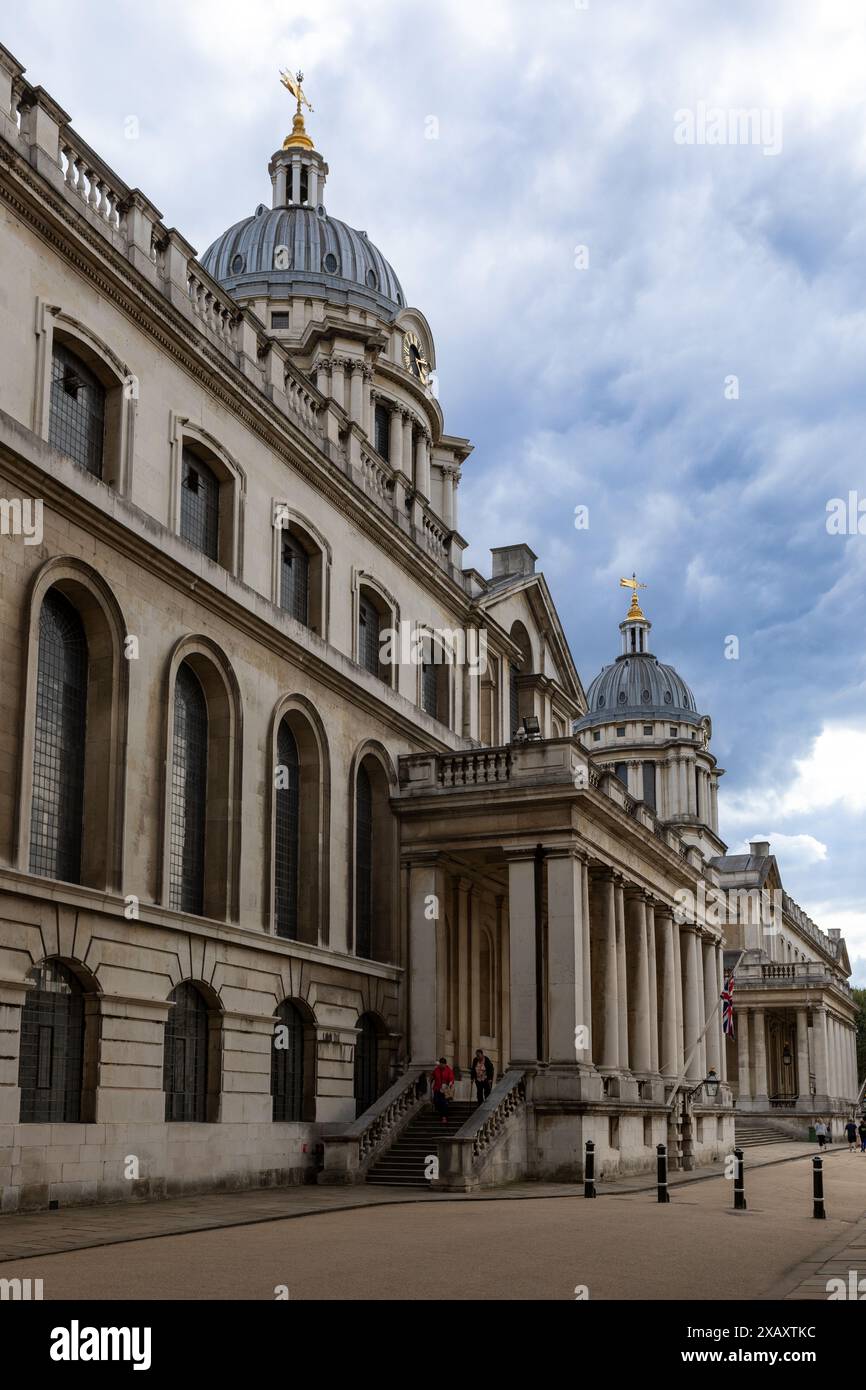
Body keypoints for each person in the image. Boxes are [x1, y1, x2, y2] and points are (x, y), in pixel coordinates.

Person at [431, 1057, 455, 1125]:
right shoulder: (436, 1069)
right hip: (437, 1088)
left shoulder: (448, 1070)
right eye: (440, 1064)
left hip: (445, 1089)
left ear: (445, 1064)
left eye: (443, 1064)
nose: (441, 1066)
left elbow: (451, 1078)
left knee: (443, 1103)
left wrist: (450, 1083)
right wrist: (431, 1078)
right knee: (436, 1101)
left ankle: (444, 1117)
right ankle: (441, 1113)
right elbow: (433, 1076)